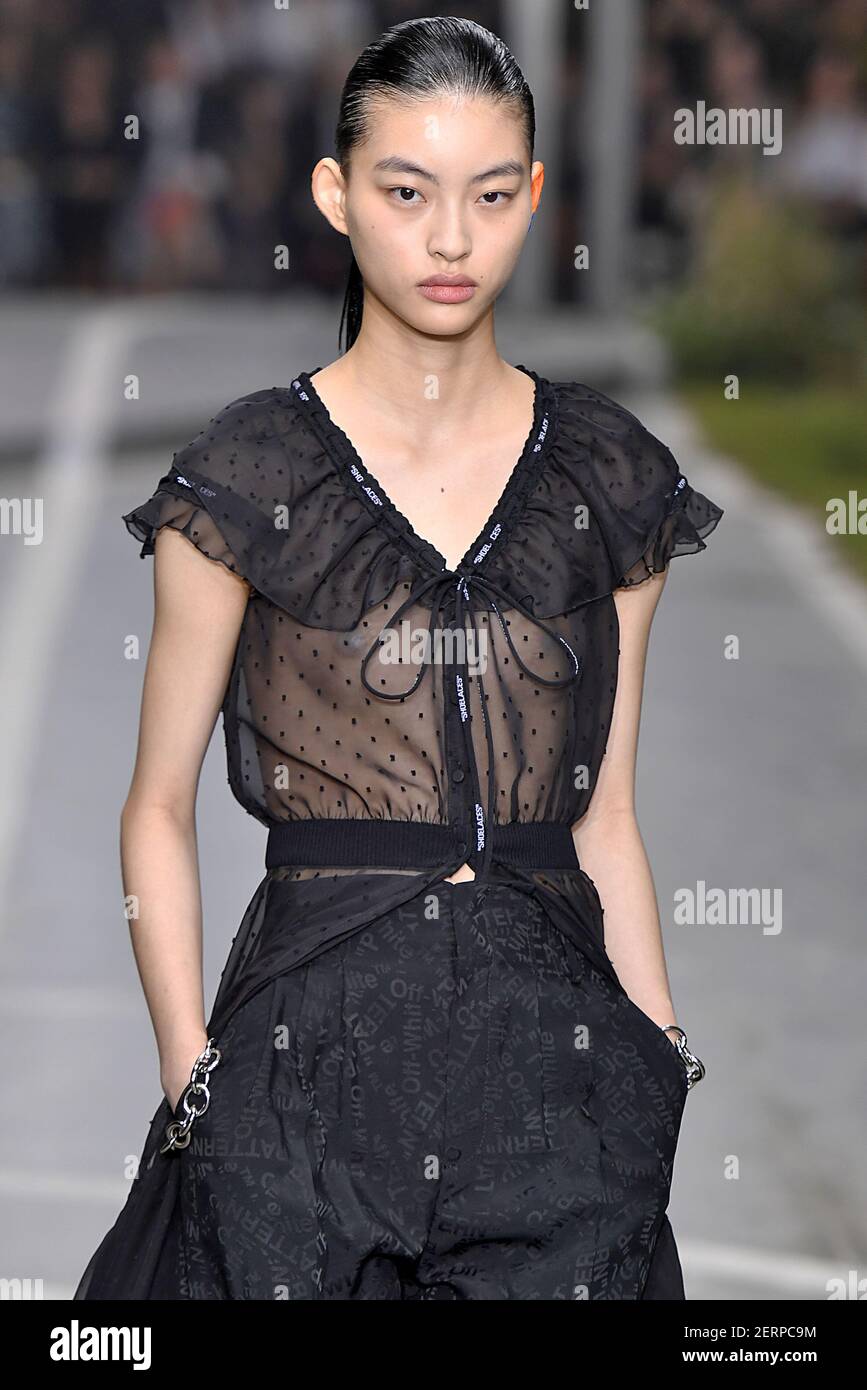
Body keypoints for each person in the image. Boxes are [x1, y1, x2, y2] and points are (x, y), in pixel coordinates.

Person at [74, 15, 723, 1301]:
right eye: (406, 191)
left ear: (534, 197)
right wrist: (191, 1069)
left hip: (559, 1101)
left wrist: (661, 1053)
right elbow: (155, 806)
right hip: (302, 1100)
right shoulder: (250, 479)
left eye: (490, 197)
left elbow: (609, 816)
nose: (449, 239)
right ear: (336, 194)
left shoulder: (606, 480)